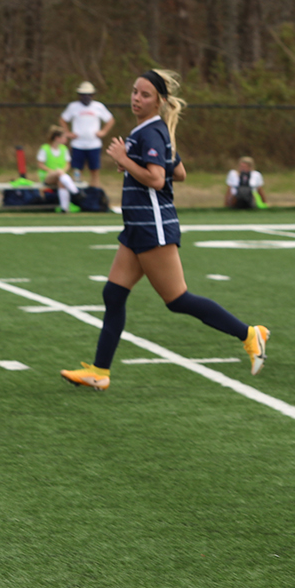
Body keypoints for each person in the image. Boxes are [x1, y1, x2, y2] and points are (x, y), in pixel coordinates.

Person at [60, 70, 268, 392]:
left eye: (144, 94)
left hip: (153, 226)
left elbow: (158, 179)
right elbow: (179, 172)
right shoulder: (150, 131)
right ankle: (99, 371)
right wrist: (131, 161)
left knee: (178, 299)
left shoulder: (153, 132)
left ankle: (250, 334)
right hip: (136, 226)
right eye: (134, 92)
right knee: (113, 294)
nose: (136, 98)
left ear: (158, 101)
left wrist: (125, 162)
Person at [59, 82, 114, 189]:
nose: (86, 97)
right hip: (77, 144)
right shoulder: (73, 107)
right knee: (77, 169)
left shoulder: (98, 107)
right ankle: (77, 191)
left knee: (94, 170)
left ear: (92, 95)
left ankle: (94, 191)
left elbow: (110, 120)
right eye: (83, 94)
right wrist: (68, 133)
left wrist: (103, 132)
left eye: (88, 94)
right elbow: (63, 119)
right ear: (79, 95)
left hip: (94, 144)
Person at [36, 126, 81, 212]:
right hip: (47, 176)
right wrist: (53, 172)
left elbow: (68, 164)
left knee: (61, 181)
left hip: (60, 176)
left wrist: (61, 172)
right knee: (60, 174)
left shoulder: (64, 149)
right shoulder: (45, 148)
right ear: (57, 138)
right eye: (64, 137)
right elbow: (40, 165)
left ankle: (64, 208)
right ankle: (76, 192)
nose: (66, 139)